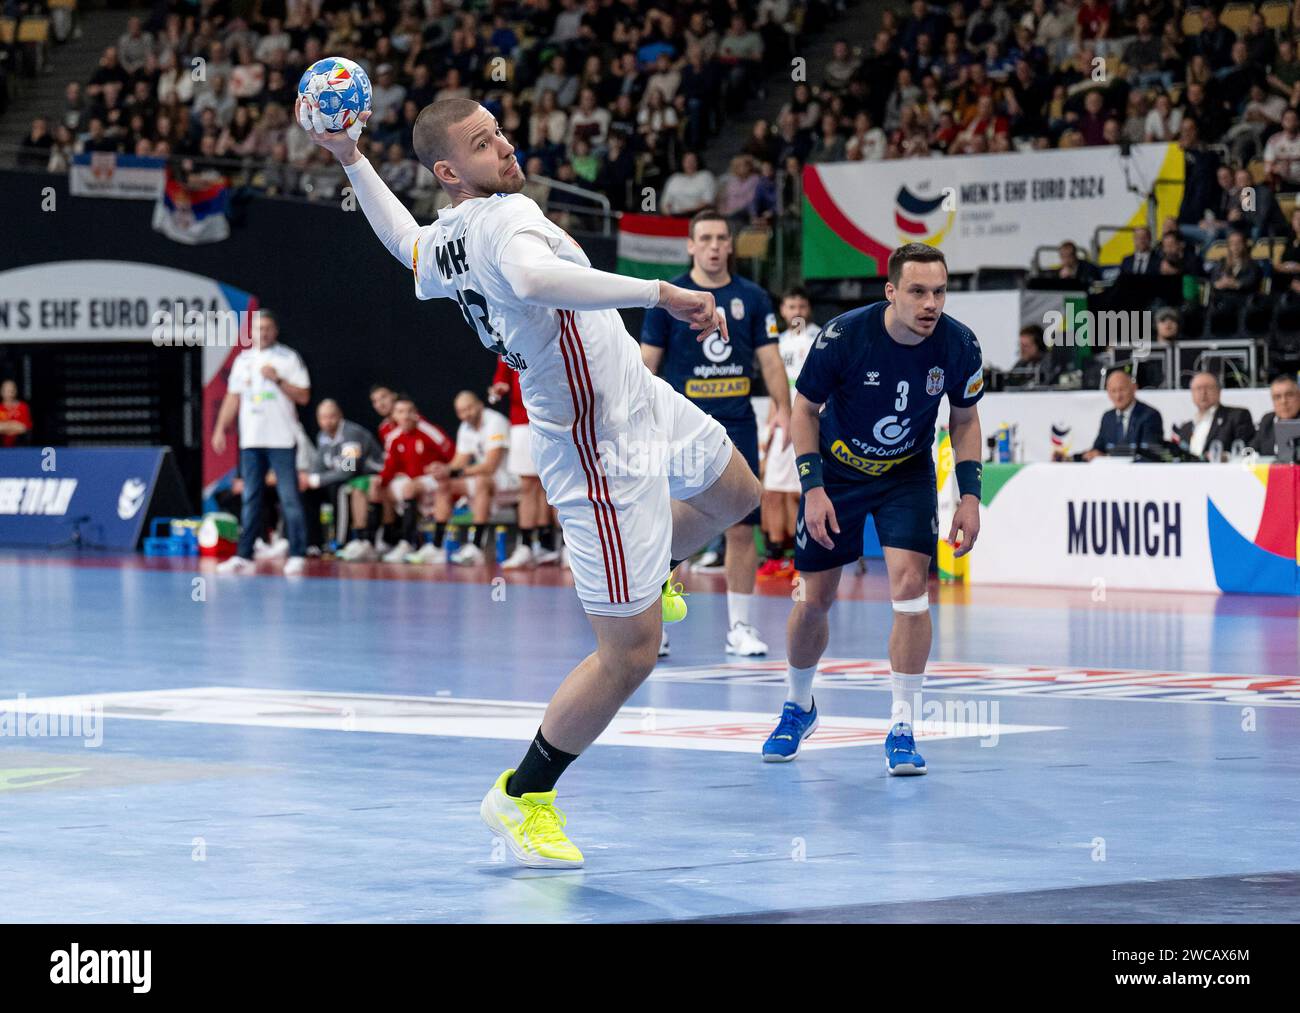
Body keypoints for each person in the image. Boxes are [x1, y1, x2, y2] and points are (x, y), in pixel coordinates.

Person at [298, 95, 760, 867]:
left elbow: (407, 244)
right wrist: (660, 292)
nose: (505, 145)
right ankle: (523, 794)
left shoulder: (451, 234)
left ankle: (657, 569)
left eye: (500, 130)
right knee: (632, 654)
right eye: (484, 143)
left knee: (737, 493)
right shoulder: (500, 224)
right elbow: (535, 279)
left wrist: (352, 160)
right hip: (596, 442)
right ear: (450, 170)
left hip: (634, 396)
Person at [759, 243, 985, 774]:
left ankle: (903, 726)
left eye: (939, 292)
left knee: (910, 589)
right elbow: (803, 410)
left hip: (906, 475)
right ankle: (798, 705)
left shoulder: (959, 344)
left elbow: (967, 420)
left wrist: (970, 497)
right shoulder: (843, 336)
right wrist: (812, 488)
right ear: (891, 291)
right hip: (836, 475)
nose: (931, 303)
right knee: (815, 598)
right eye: (917, 291)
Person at [640, 209, 791, 659]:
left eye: (721, 238)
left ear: (730, 245)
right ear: (690, 245)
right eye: (704, 238)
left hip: (738, 423)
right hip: (682, 428)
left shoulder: (754, 298)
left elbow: (769, 360)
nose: (712, 245)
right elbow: (648, 363)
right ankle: (656, 624)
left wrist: (782, 408)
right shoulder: (670, 297)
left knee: (743, 527)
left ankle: (741, 627)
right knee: (672, 525)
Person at [211, 310, 312, 576]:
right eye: (258, 328)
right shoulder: (243, 360)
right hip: (251, 441)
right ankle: (244, 555)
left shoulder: (288, 358)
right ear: (251, 332)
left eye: (267, 328)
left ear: (275, 331)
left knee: (289, 497)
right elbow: (233, 397)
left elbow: (303, 396)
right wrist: (220, 428)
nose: (262, 333)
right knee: (250, 497)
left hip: (281, 439)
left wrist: (277, 379)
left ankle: (298, 553)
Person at [760, 287, 820, 581]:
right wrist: (768, 429)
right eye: (790, 305)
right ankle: (774, 556)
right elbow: (775, 391)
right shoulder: (776, 345)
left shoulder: (819, 340)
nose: (795, 311)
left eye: (800, 305)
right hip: (781, 423)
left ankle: (802, 557)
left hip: (808, 424)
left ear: (807, 310)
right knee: (770, 492)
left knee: (800, 494)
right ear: (782, 311)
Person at [429, 390, 516, 565]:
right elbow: (459, 461)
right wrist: (444, 470)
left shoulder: (495, 422)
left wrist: (455, 472)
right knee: (444, 484)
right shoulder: (465, 427)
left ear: (480, 405)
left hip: (511, 479)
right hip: (487, 480)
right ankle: (437, 547)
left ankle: (476, 547)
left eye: (469, 408)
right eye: (461, 411)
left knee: (482, 480)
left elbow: (490, 466)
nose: (466, 414)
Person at [489, 356, 558, 568]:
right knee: (528, 486)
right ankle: (527, 546)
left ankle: (563, 547)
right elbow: (501, 379)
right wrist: (498, 389)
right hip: (522, 423)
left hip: (554, 421)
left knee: (555, 485)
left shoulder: (553, 337)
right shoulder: (506, 346)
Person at [378, 396, 456, 562]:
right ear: (394, 416)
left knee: (409, 488)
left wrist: (443, 467)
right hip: (413, 481)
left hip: (434, 479)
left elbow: (453, 456)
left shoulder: (428, 430)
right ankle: (379, 540)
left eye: (409, 411)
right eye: (400, 412)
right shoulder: (393, 436)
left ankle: (408, 543)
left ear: (416, 414)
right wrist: (380, 483)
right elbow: (389, 467)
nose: (405, 416)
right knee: (376, 487)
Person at [302, 398, 385, 552]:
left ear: (340, 415)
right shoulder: (322, 436)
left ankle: (341, 541)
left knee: (338, 489)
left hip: (367, 476)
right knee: (308, 491)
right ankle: (314, 543)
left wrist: (316, 479)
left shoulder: (351, 434)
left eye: (331, 416)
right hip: (342, 477)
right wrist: (309, 480)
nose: (327, 421)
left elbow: (348, 470)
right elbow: (318, 467)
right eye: (323, 417)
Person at [1172, 372, 1256, 460]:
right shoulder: (1186, 428)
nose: (1203, 393)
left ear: (1219, 391)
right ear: (1192, 394)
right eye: (1198, 389)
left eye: (1208, 388)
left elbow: (1249, 449)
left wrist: (1227, 457)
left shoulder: (1237, 416)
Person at [1083, 369, 1165, 458]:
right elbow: (1098, 448)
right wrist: (1093, 454)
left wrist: (1110, 456)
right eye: (1113, 391)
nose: (1118, 396)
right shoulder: (1108, 417)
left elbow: (1149, 451)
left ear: (1134, 388)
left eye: (1122, 390)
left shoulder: (1149, 415)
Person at [1249, 374, 1300, 456]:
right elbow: (1252, 447)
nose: (1283, 401)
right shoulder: (1268, 420)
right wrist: (1243, 453)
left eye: (1289, 395)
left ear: (1299, 396)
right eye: (1277, 397)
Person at [0, 380, 32, 447]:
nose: (9, 394)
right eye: (7, 391)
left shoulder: (23, 407)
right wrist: (13, 424)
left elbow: (24, 428)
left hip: (20, 447)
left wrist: (4, 426)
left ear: (15, 391)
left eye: (11, 391)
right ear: (1, 392)